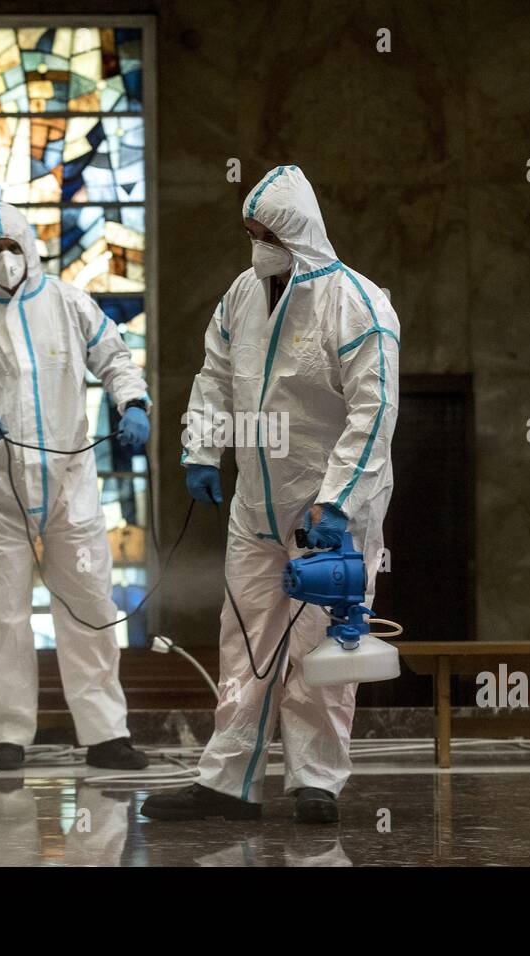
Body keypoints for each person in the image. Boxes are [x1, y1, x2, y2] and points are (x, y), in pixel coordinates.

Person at [142, 166, 399, 823]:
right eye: (249, 235)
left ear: (297, 232)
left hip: (329, 513)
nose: (255, 247)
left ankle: (316, 779)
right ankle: (229, 780)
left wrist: (337, 504)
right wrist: (201, 446)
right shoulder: (241, 295)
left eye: (266, 235)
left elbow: (373, 415)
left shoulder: (358, 304)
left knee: (320, 647)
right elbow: (215, 373)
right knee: (244, 643)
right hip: (255, 506)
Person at [0, 201, 152, 772]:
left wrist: (134, 403)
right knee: (2, 615)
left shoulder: (70, 304)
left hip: (71, 483)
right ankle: (8, 735)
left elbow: (116, 359)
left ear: (32, 247)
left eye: (14, 248)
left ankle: (105, 734)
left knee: (89, 605)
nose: (5, 260)